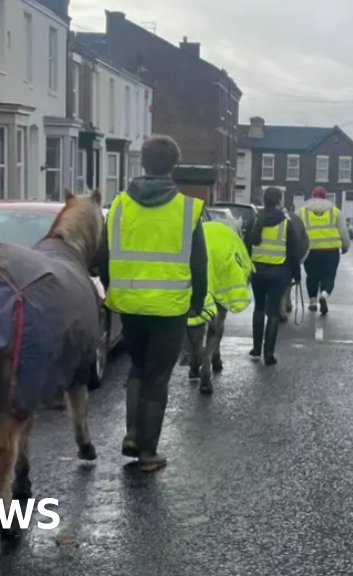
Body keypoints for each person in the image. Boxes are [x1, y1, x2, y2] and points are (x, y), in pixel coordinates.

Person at [100, 135, 207, 473]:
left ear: (142, 163)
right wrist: (197, 301)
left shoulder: (119, 205)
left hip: (129, 304)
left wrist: (112, 288)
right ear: (174, 165)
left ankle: (133, 434)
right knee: (158, 377)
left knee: (137, 366)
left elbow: (103, 255)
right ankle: (148, 452)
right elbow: (198, 263)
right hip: (170, 307)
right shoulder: (187, 209)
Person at [185, 219, 254, 394]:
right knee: (217, 325)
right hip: (222, 283)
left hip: (200, 282)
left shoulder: (199, 233)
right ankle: (209, 361)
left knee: (198, 322)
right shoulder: (232, 238)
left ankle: (195, 362)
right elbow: (246, 264)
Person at [248, 187, 305, 365]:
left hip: (258, 271)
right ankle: (269, 354)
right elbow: (294, 252)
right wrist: (297, 275)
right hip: (278, 273)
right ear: (279, 201)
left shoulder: (255, 220)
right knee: (272, 312)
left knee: (258, 307)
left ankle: (256, 348)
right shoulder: (286, 223)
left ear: (264, 200)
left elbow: (246, 244)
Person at [298, 187, 349, 314]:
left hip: (310, 250)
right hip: (330, 250)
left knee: (312, 276)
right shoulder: (335, 211)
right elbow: (343, 232)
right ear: (326, 197)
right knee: (329, 276)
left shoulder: (302, 211)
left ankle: (313, 301)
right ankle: (324, 295)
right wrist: (345, 246)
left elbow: (296, 231)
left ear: (312, 196)